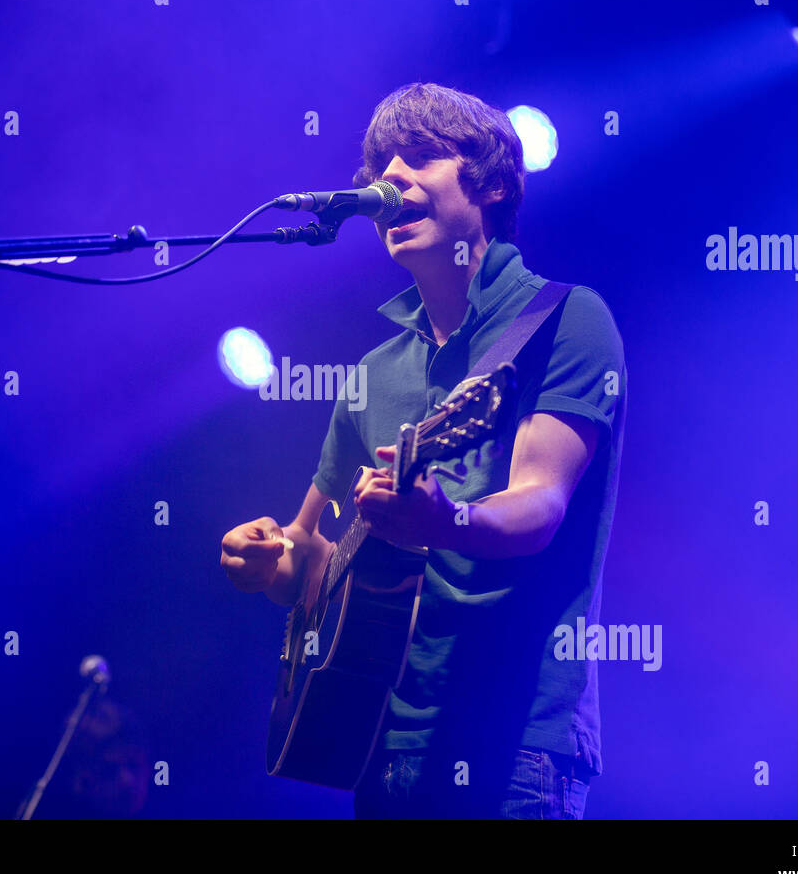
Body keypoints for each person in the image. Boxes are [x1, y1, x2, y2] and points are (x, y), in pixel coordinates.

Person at [220, 83, 627, 818]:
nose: (390, 177)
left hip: (513, 743)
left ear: (494, 183)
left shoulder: (567, 317)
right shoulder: (373, 372)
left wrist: (448, 523)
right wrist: (269, 560)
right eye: (380, 162)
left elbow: (540, 504)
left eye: (420, 157)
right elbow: (310, 555)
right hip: (380, 740)